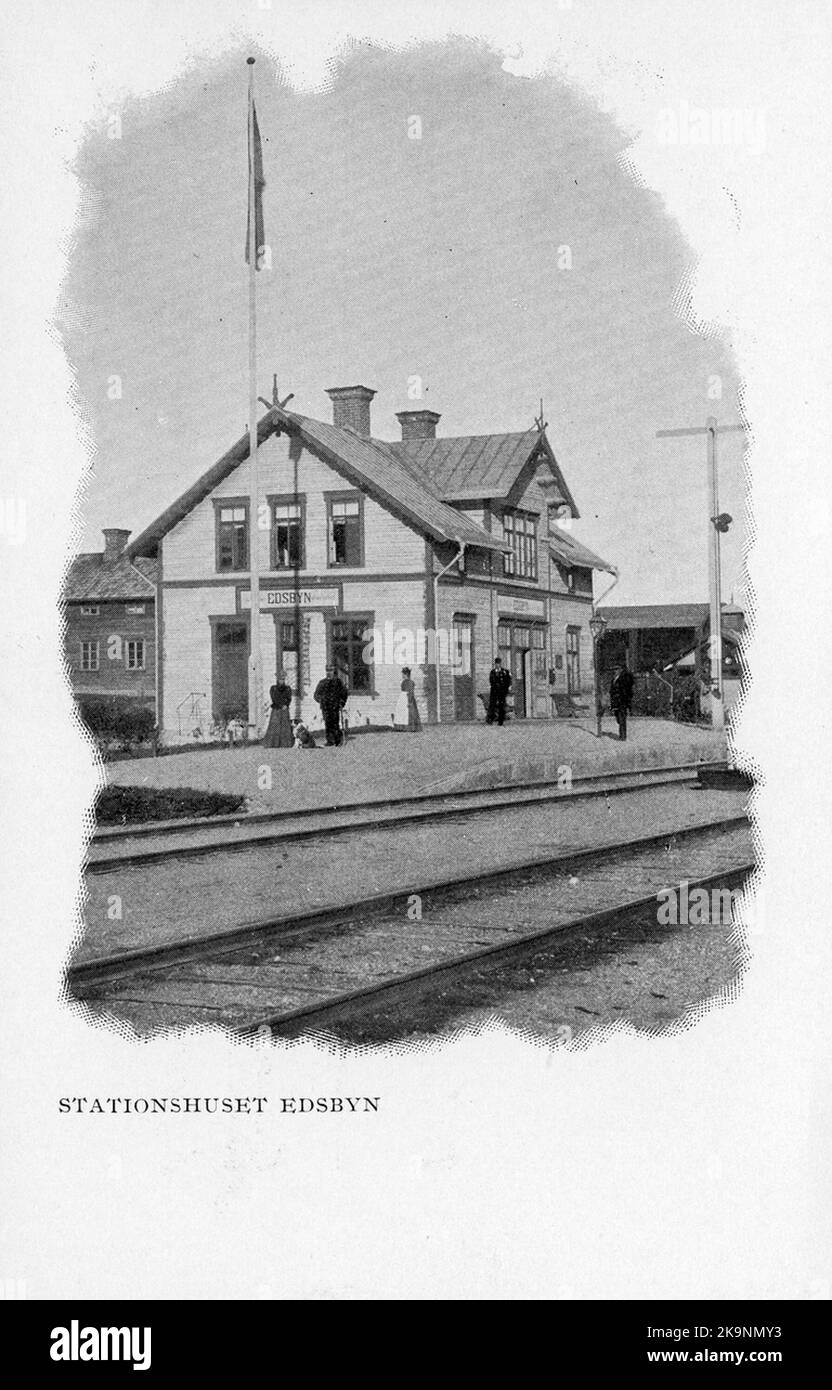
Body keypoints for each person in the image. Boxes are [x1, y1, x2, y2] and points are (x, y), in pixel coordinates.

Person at [314, 664, 348, 746]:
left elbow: (344, 693)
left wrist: (342, 702)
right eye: (328, 671)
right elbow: (316, 695)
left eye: (331, 671)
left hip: (335, 706)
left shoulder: (338, 682)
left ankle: (337, 740)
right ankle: (330, 741)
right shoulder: (322, 683)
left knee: (335, 723)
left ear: (334, 672)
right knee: (328, 724)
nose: (329, 673)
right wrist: (321, 700)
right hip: (325, 707)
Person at [262, 673, 293, 748]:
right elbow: (274, 698)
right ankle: (273, 743)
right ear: (277, 680)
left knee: (285, 726)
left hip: (284, 709)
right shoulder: (273, 688)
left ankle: (284, 743)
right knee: (275, 726)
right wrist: (280, 705)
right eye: (280, 679)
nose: (281, 681)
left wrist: (286, 705)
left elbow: (289, 698)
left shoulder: (288, 688)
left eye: (283, 679)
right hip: (276, 709)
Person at [609, 663, 635, 740]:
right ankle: (622, 734)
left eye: (617, 669)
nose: (615, 671)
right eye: (614, 669)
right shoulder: (614, 679)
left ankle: (623, 736)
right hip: (615, 702)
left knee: (622, 718)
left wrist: (627, 700)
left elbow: (628, 689)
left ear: (620, 670)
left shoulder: (624, 679)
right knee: (618, 718)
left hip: (622, 701)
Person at [393, 667, 422, 732]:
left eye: (403, 674)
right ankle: (401, 727)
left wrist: (409, 701)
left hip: (408, 697)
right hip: (402, 698)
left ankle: (410, 727)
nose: (402, 675)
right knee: (401, 712)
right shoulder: (403, 682)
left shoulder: (410, 682)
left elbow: (411, 692)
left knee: (410, 712)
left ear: (406, 674)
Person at [486, 656, 512, 726]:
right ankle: (490, 720)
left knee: (501, 706)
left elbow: (508, 681)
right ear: (495, 664)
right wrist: (495, 688)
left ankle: (500, 721)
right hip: (494, 691)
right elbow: (491, 681)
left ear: (500, 664)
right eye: (496, 664)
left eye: (498, 663)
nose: (497, 665)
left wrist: (505, 690)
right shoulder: (493, 672)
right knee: (492, 706)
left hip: (501, 692)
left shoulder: (505, 672)